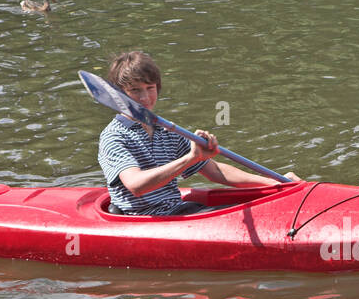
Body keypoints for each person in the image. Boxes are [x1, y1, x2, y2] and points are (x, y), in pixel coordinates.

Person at [97, 51, 299, 216]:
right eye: (135, 90)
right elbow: (136, 185)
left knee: (256, 212)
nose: (145, 98)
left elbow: (215, 171)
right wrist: (191, 158)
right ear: (119, 94)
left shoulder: (167, 130)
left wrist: (276, 183)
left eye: (150, 88)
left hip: (176, 211)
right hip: (143, 220)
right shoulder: (114, 136)